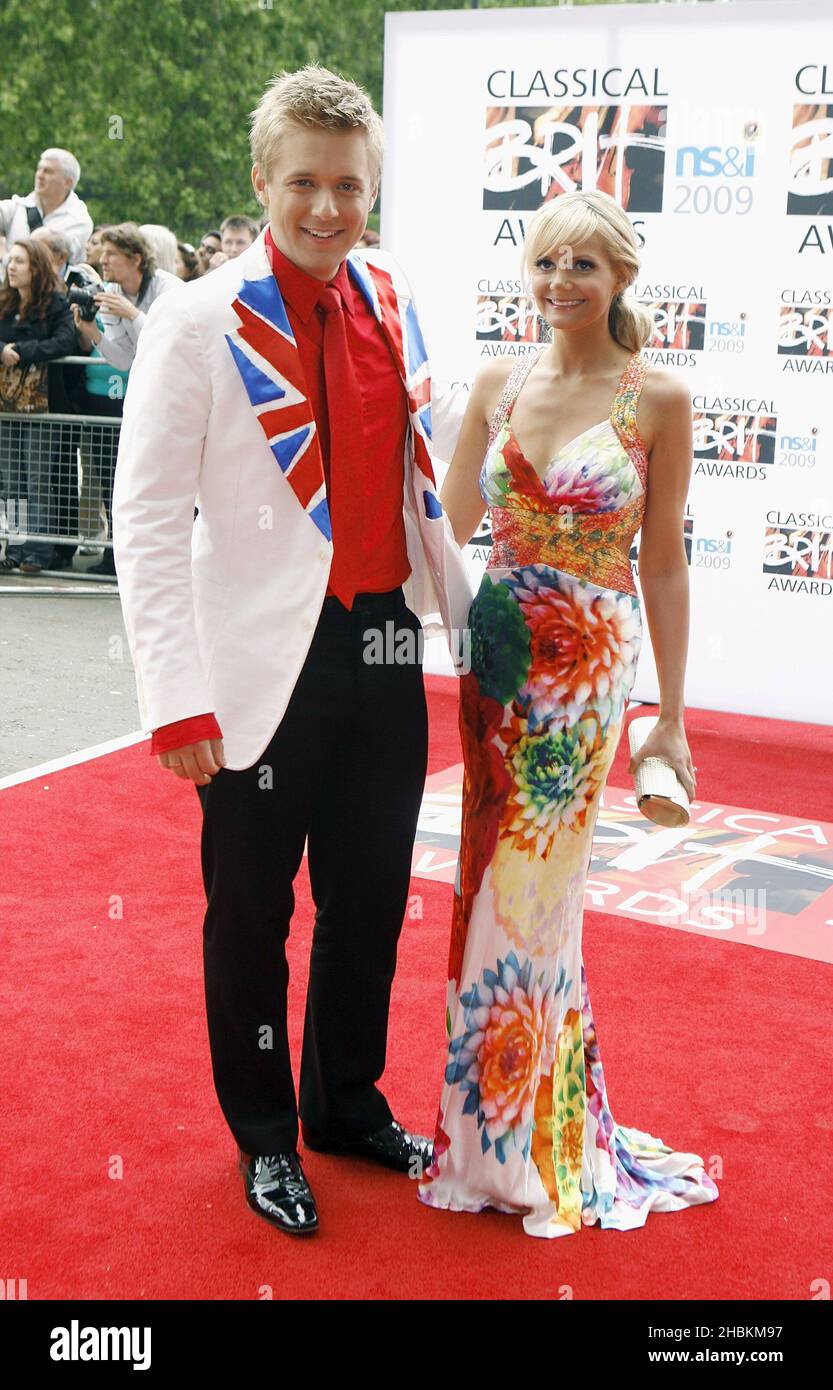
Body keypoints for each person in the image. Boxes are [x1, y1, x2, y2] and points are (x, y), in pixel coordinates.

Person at [111, 64, 472, 1237]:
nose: (327, 208)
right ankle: (265, 1134)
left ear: (373, 191)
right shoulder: (198, 316)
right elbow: (148, 516)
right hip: (263, 664)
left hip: (380, 644)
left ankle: (343, 1102)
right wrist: (175, 700)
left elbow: (419, 468)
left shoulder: (389, 290)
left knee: (369, 898)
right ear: (262, 179)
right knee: (253, 912)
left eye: (349, 187)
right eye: (304, 183)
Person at [417, 190, 719, 1238]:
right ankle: (486, 1138)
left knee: (540, 894)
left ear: (621, 278)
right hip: (495, 660)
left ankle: (534, 1149)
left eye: (582, 266)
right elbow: (447, 523)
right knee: (484, 885)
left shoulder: (657, 399)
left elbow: (665, 563)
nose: (559, 284)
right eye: (546, 263)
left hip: (588, 670)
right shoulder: (496, 382)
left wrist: (669, 716)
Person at [71, 222, 180, 574]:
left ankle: (167, 560)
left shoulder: (168, 287)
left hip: (176, 399)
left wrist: (132, 314)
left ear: (135, 258)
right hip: (139, 397)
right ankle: (120, 558)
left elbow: (167, 342)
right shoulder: (112, 292)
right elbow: (125, 360)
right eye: (102, 253)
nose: (103, 260)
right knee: (121, 480)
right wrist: (94, 335)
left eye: (111, 255)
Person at [0, 238, 76, 574]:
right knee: (12, 481)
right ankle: (15, 547)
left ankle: (38, 552)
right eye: (10, 261)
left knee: (38, 481)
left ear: (36, 267)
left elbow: (66, 340)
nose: (11, 267)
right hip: (8, 405)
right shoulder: (4, 301)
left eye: (19, 261)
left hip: (42, 407)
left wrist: (25, 350)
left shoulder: (56, 304)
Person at [0, 148, 93, 270]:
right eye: (39, 169)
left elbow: (48, 258)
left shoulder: (79, 220)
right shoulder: (18, 205)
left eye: (48, 171)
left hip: (51, 288)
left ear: (68, 182)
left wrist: (6, 258)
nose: (40, 175)